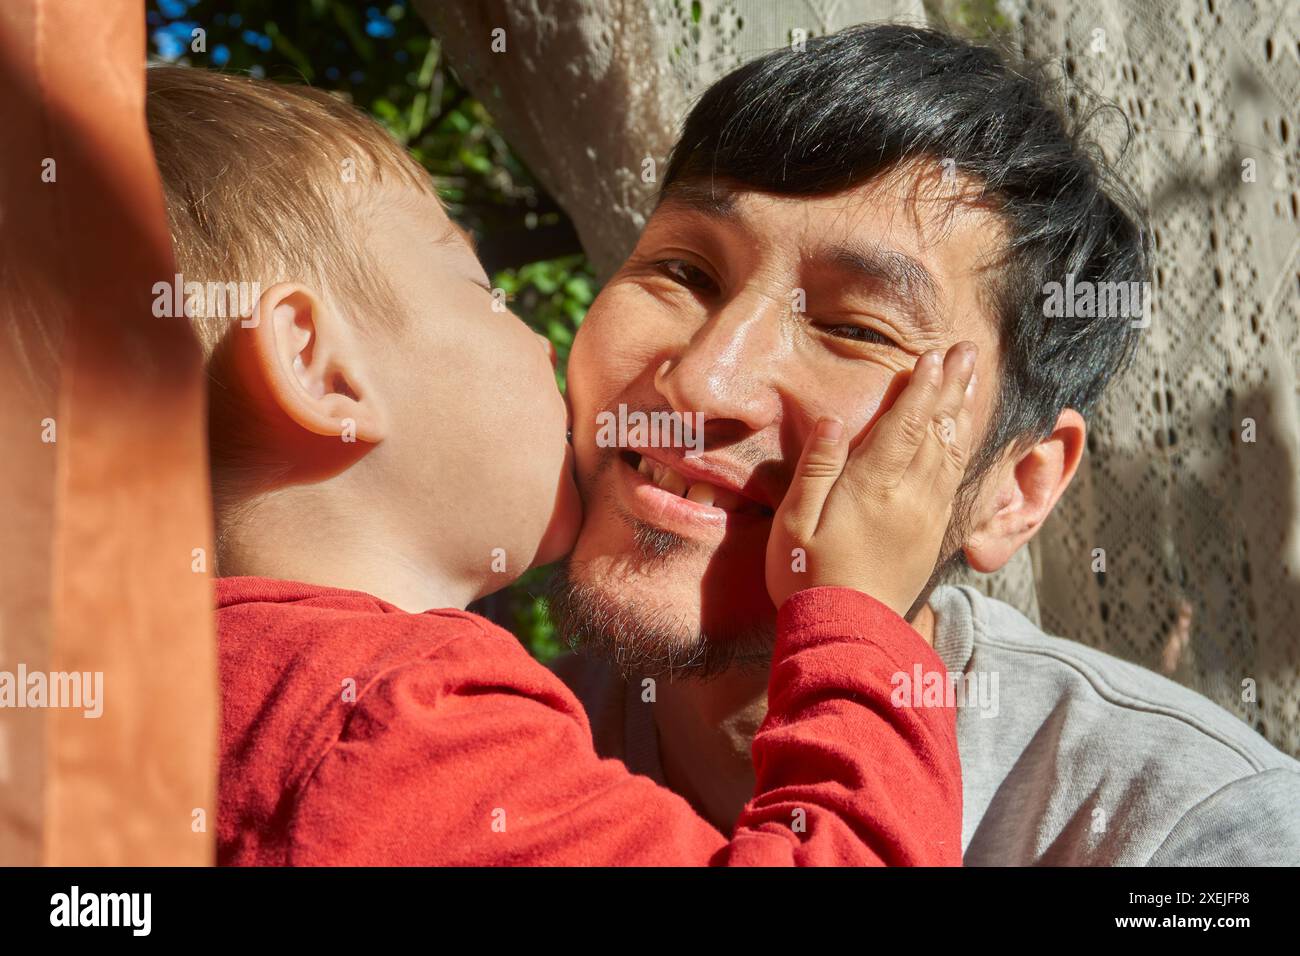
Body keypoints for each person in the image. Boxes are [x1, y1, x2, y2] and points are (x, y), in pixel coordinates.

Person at [145, 65, 971, 866]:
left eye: (859, 328)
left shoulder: (160, 700)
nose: (545, 340)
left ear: (1021, 487)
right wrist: (860, 618)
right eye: (483, 292)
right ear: (320, 369)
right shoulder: (409, 722)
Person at [550, 23, 1300, 865]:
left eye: (854, 327)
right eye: (685, 272)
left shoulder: (1193, 834)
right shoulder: (463, 748)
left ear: (1014, 488)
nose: (702, 382)